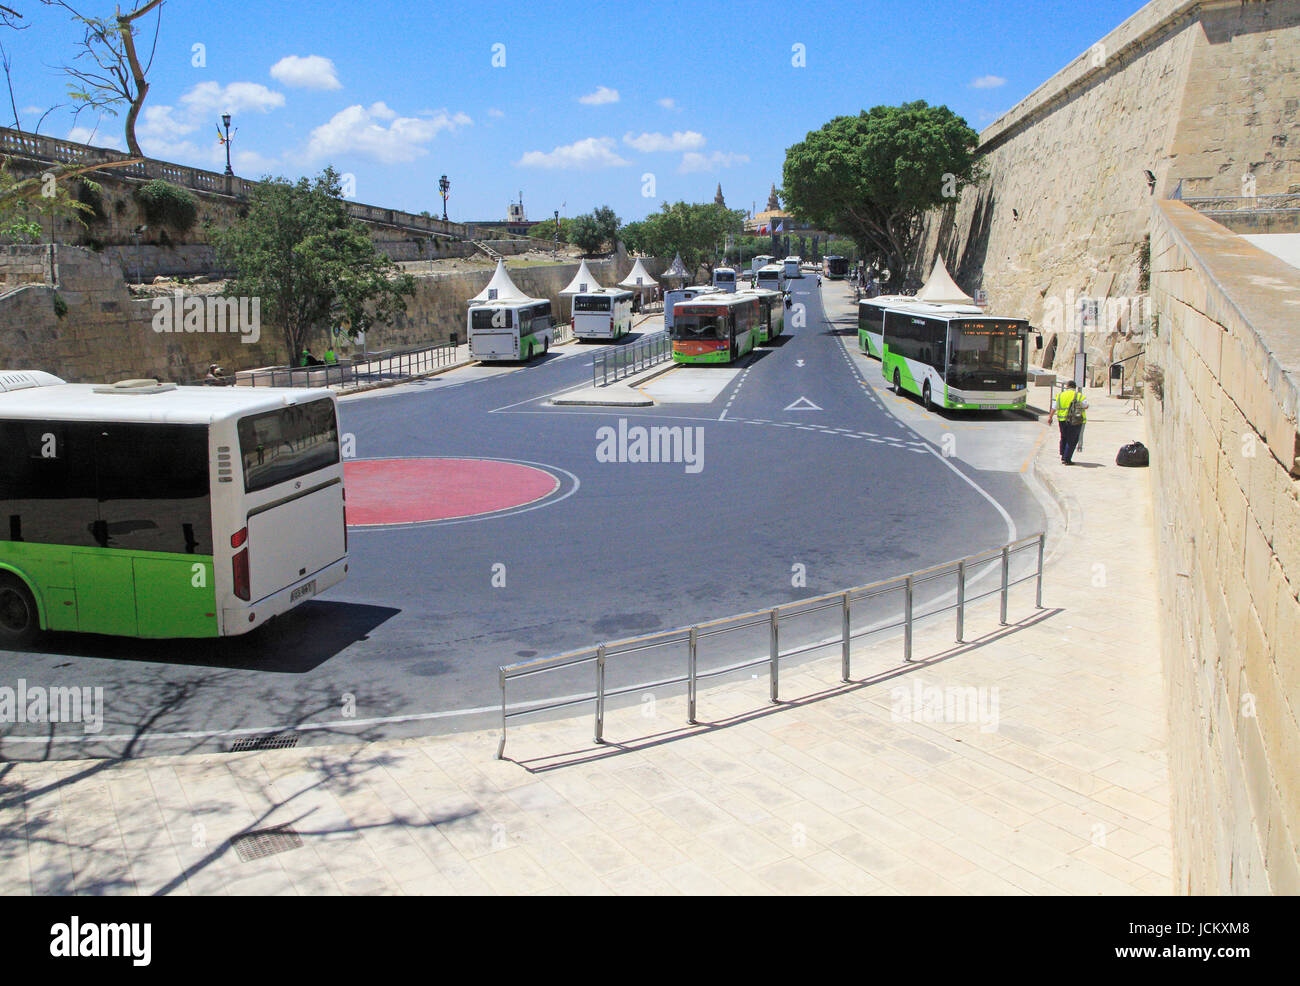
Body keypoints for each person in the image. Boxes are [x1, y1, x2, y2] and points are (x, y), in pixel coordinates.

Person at [1055, 379, 1088, 465]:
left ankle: (1063, 456)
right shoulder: (1079, 396)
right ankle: (1067, 459)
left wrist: (1050, 417)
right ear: (1075, 387)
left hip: (1062, 420)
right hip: (1074, 421)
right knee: (1072, 440)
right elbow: (1086, 406)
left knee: (1064, 437)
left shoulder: (1060, 395)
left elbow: (1054, 407)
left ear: (1067, 387)